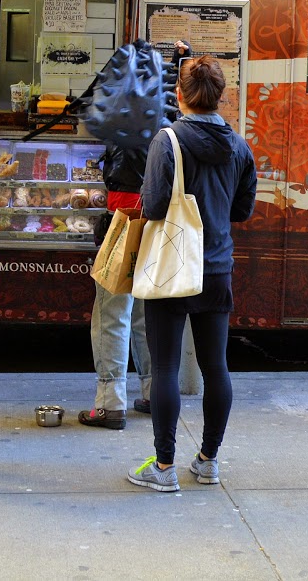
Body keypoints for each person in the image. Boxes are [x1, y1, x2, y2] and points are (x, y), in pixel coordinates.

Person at [126, 55, 256, 493]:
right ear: (222, 97)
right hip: (217, 267)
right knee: (215, 367)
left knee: (163, 366)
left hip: (171, 265)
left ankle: (163, 467)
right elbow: (242, 210)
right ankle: (208, 460)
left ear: (179, 95)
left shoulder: (168, 141)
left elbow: (156, 205)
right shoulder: (239, 147)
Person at [80, 40, 193, 431]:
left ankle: (110, 402)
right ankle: (148, 391)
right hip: (158, 223)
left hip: (121, 219)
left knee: (112, 312)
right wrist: (181, 61)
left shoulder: (121, 111)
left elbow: (92, 117)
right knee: (146, 312)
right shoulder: (168, 113)